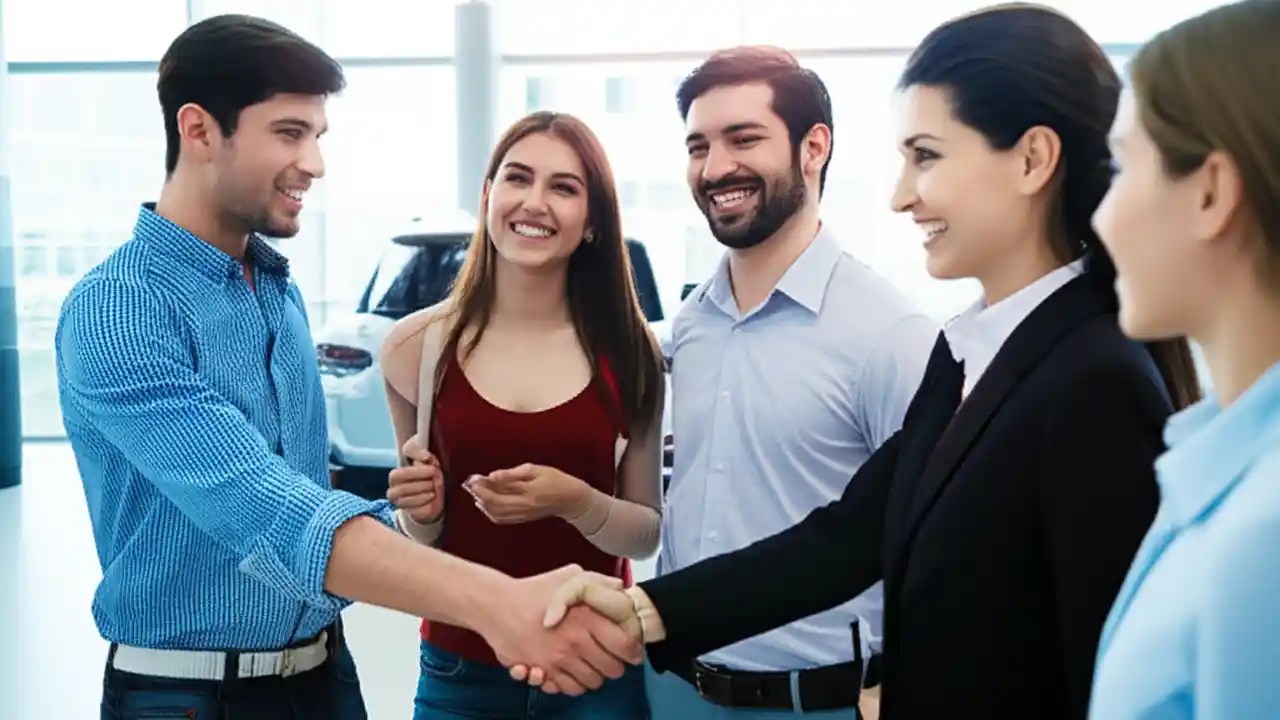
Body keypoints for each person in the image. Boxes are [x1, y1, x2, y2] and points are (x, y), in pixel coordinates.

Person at [531, 5, 1204, 719]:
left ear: (1033, 160)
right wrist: (645, 610)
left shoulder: (1093, 377)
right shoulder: (968, 353)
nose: (900, 195)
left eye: (927, 156)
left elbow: (1105, 675)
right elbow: (844, 538)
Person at [54, 16, 640, 720]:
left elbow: (315, 494)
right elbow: (273, 511)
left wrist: (426, 515)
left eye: (317, 137)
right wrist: (499, 602)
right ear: (200, 130)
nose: (315, 163)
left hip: (324, 675)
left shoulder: (275, 290)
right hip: (189, 697)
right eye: (289, 132)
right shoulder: (120, 310)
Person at [645, 46, 938, 718]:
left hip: (819, 703)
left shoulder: (889, 334)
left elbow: (930, 543)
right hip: (671, 691)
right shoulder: (690, 325)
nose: (716, 169)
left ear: (814, 148)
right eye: (699, 146)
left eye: (743, 139)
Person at [379, 111, 665, 720]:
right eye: (518, 178)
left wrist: (576, 501)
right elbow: (422, 538)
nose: (534, 202)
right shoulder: (414, 349)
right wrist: (420, 510)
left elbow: (645, 534)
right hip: (461, 668)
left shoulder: (632, 353)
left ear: (592, 222)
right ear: (487, 196)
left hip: (597, 661)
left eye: (564, 188)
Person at [1087, 1, 1280, 717]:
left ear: (1210, 192)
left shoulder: (1266, 534)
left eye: (1121, 165)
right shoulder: (1225, 469)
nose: (1101, 214)